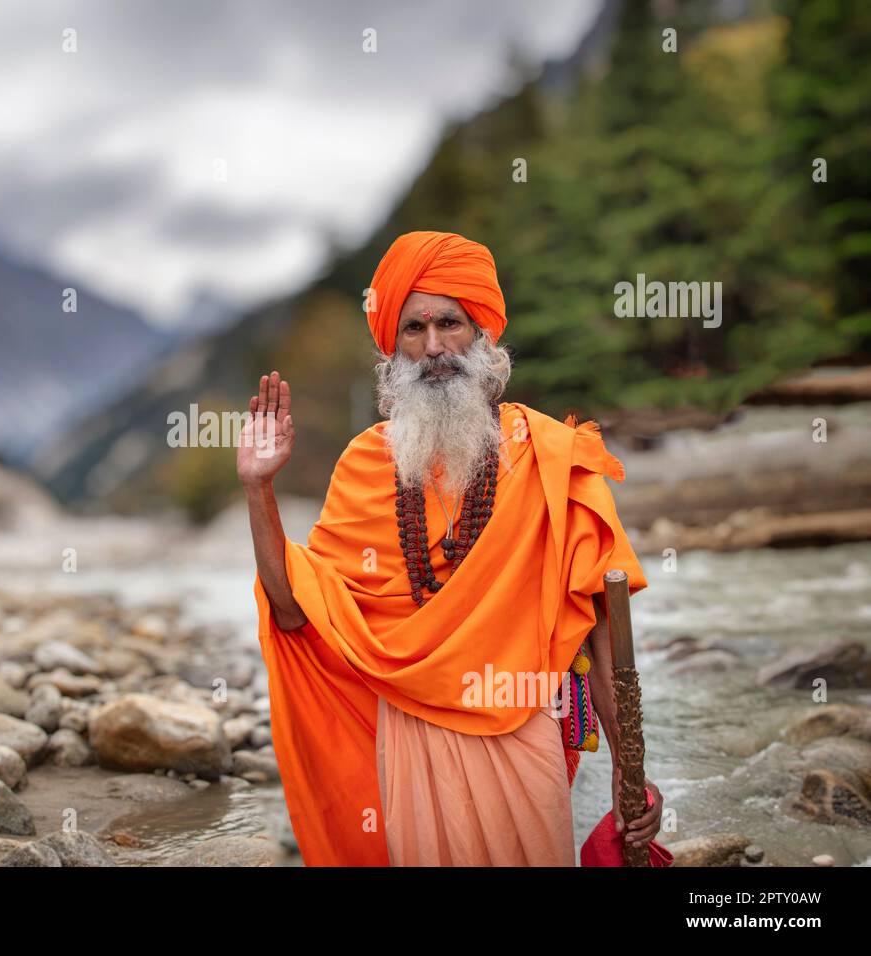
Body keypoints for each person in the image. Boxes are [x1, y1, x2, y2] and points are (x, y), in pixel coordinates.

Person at [236, 230, 663, 866]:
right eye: (413, 329)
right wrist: (258, 487)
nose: (433, 346)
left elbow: (602, 631)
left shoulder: (551, 457)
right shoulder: (364, 466)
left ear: (481, 332)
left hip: (523, 729)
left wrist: (630, 771)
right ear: (393, 347)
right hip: (412, 738)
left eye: (449, 323)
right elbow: (297, 611)